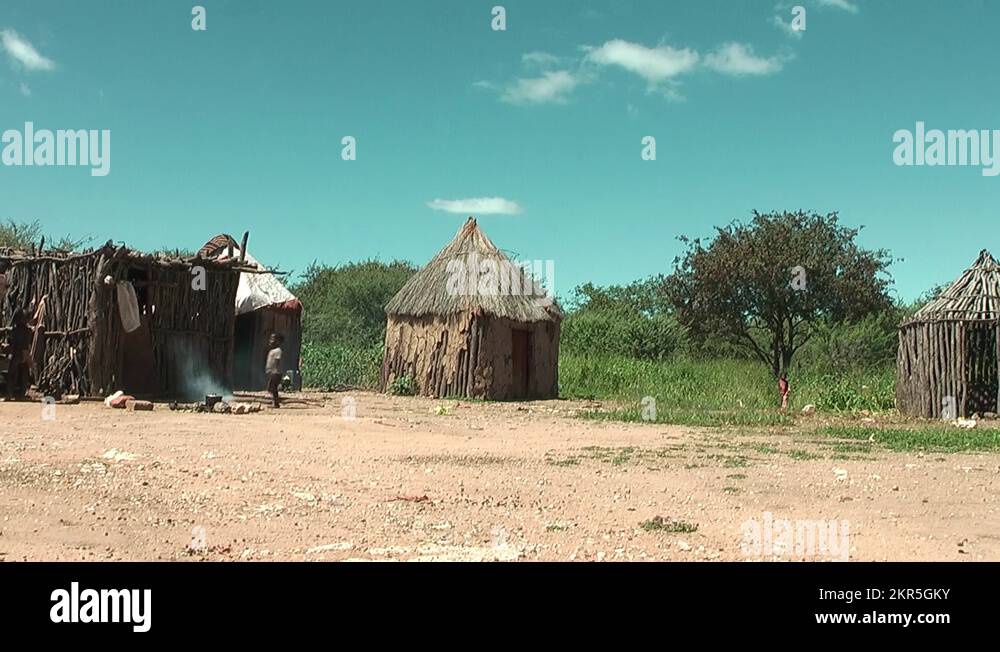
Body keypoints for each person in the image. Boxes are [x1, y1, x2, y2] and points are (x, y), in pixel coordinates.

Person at [5, 309, 33, 400]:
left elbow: (14, 342)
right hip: (25, 352)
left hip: (17, 353)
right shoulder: (27, 330)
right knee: (24, 374)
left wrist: (10, 351)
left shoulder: (16, 330)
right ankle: (21, 394)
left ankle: (10, 393)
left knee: (12, 374)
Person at [265, 333, 284, 408]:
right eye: (270, 339)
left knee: (272, 388)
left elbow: (277, 361)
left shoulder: (278, 351)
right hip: (272, 372)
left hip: (275, 373)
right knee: (272, 388)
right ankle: (275, 402)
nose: (270, 341)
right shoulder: (272, 351)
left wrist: (275, 371)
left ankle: (276, 403)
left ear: (278, 341)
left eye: (273, 339)